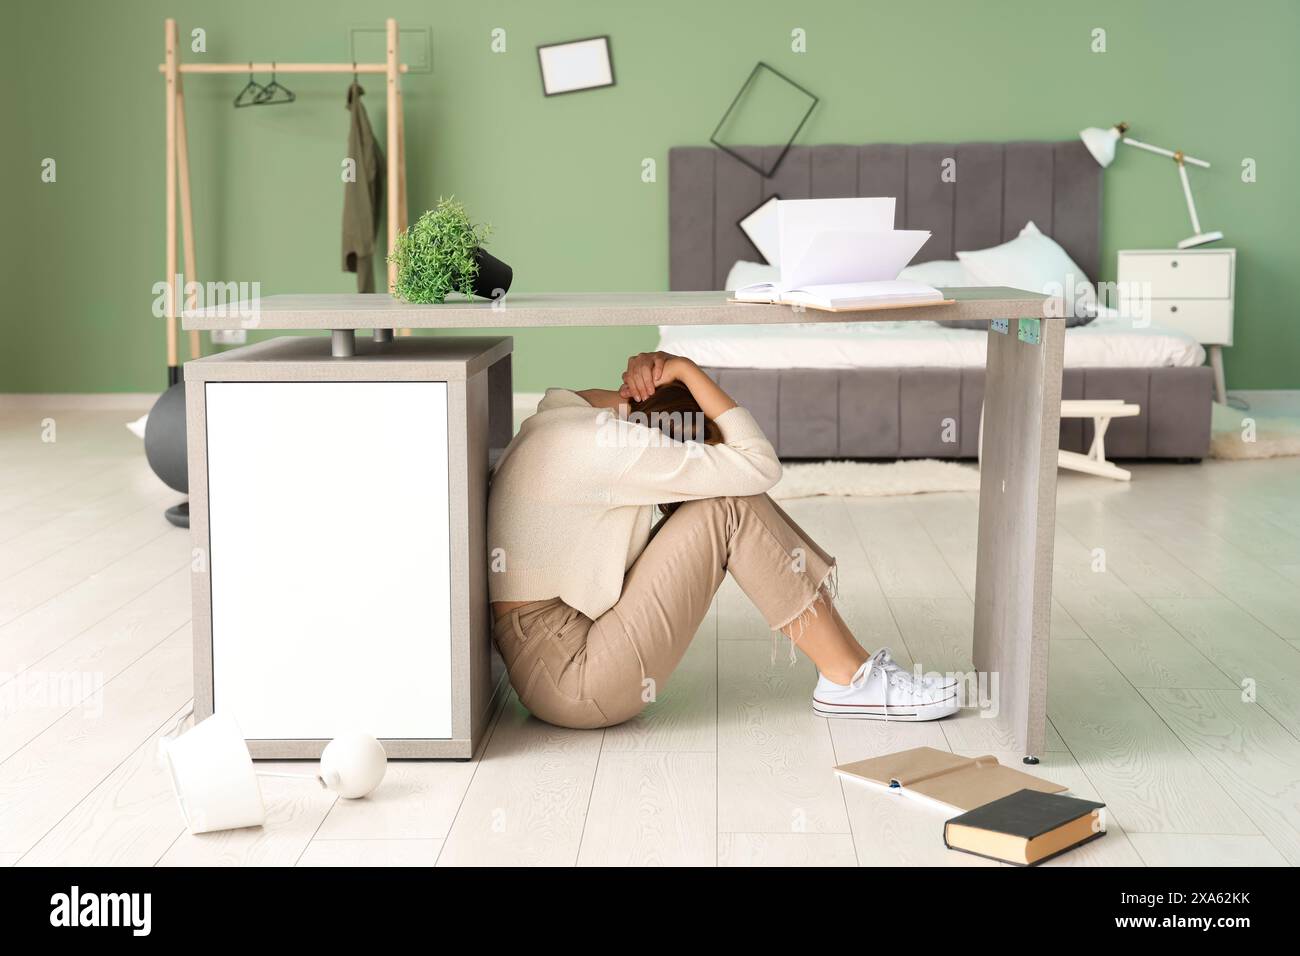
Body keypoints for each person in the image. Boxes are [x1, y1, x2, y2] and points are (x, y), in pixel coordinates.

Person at [487, 350, 958, 729]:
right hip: (575, 679)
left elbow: (585, 396)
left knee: (724, 501)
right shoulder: (623, 449)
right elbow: (758, 465)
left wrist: (647, 383)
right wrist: (686, 369)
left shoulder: (565, 414)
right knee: (730, 505)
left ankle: (851, 673)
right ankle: (850, 681)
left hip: (547, 661)